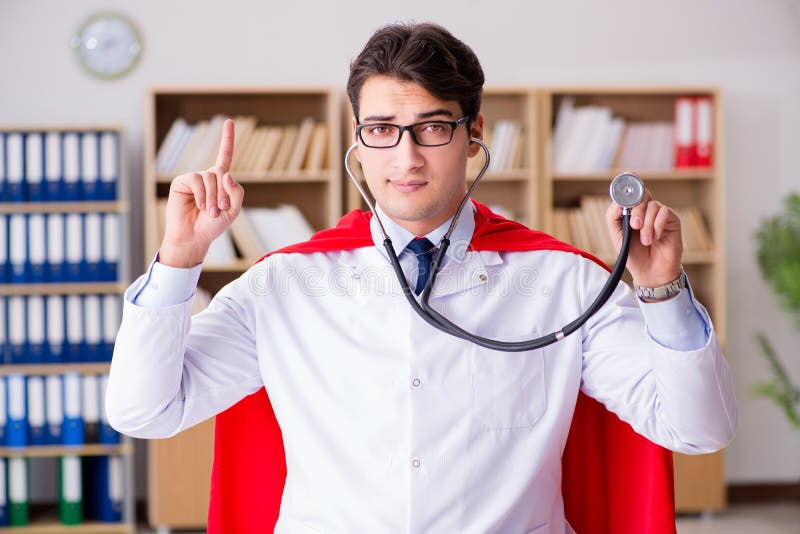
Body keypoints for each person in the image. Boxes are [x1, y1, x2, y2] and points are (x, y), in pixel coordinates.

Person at [107, 22, 737, 534]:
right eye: (381, 130)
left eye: (433, 127)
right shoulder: (282, 286)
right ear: (357, 142)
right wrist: (178, 262)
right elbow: (145, 411)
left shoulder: (566, 282)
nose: (405, 158)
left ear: (474, 136)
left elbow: (697, 429)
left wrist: (661, 291)